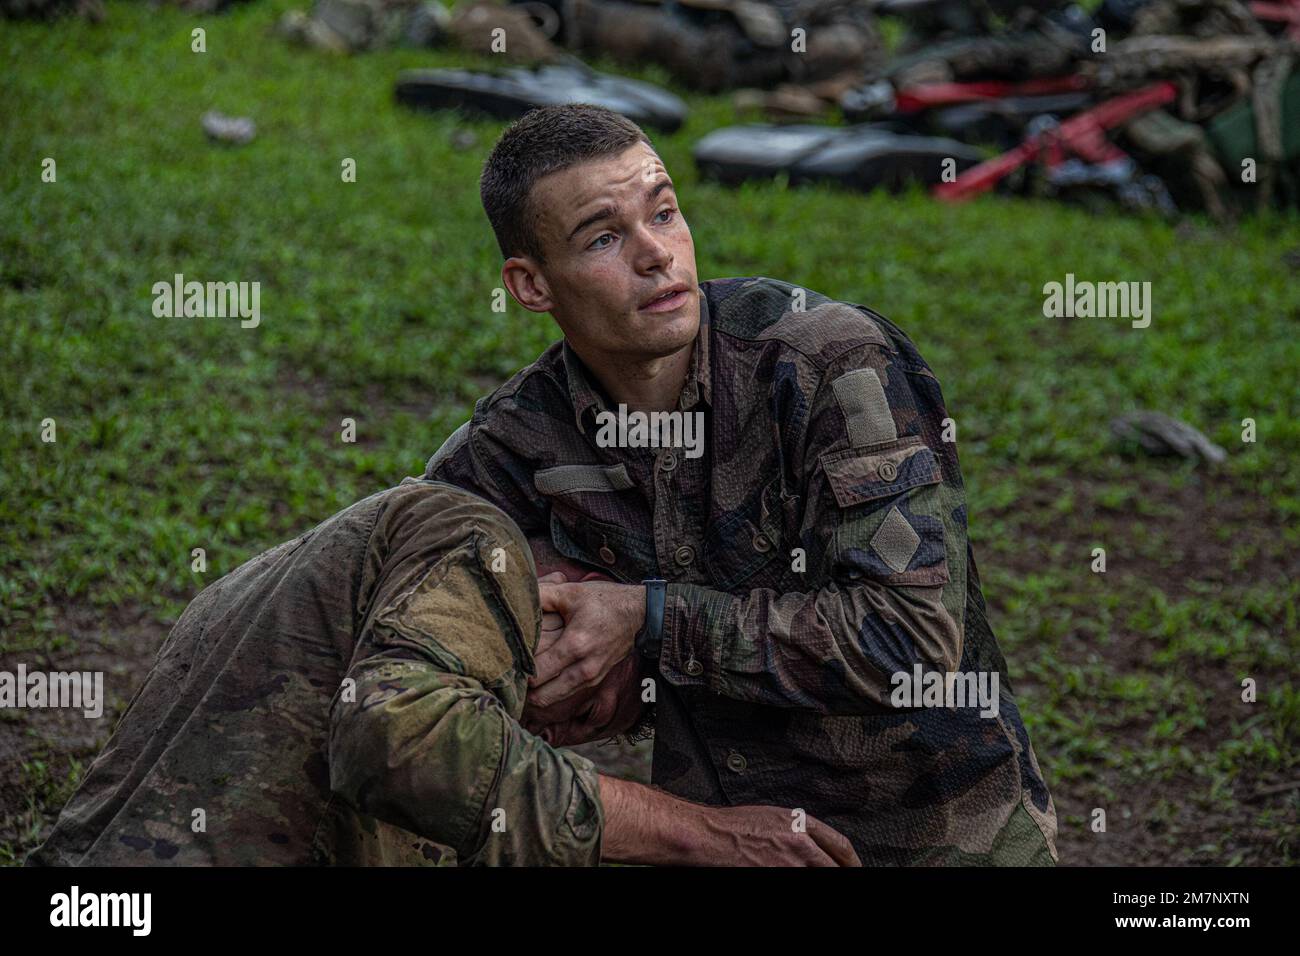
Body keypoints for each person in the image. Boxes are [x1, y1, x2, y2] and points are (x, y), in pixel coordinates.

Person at [426, 103, 1059, 865]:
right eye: (603, 237)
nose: (657, 254)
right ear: (530, 285)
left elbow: (910, 641)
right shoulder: (515, 441)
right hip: (724, 839)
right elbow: (395, 618)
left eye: (664, 212)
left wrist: (647, 618)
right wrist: (548, 642)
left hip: (938, 836)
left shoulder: (829, 365)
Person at [29, 479, 859, 866]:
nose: (568, 736)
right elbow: (400, 740)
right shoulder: (473, 535)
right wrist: (703, 835)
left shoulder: (310, 587)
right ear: (578, 601)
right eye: (603, 705)